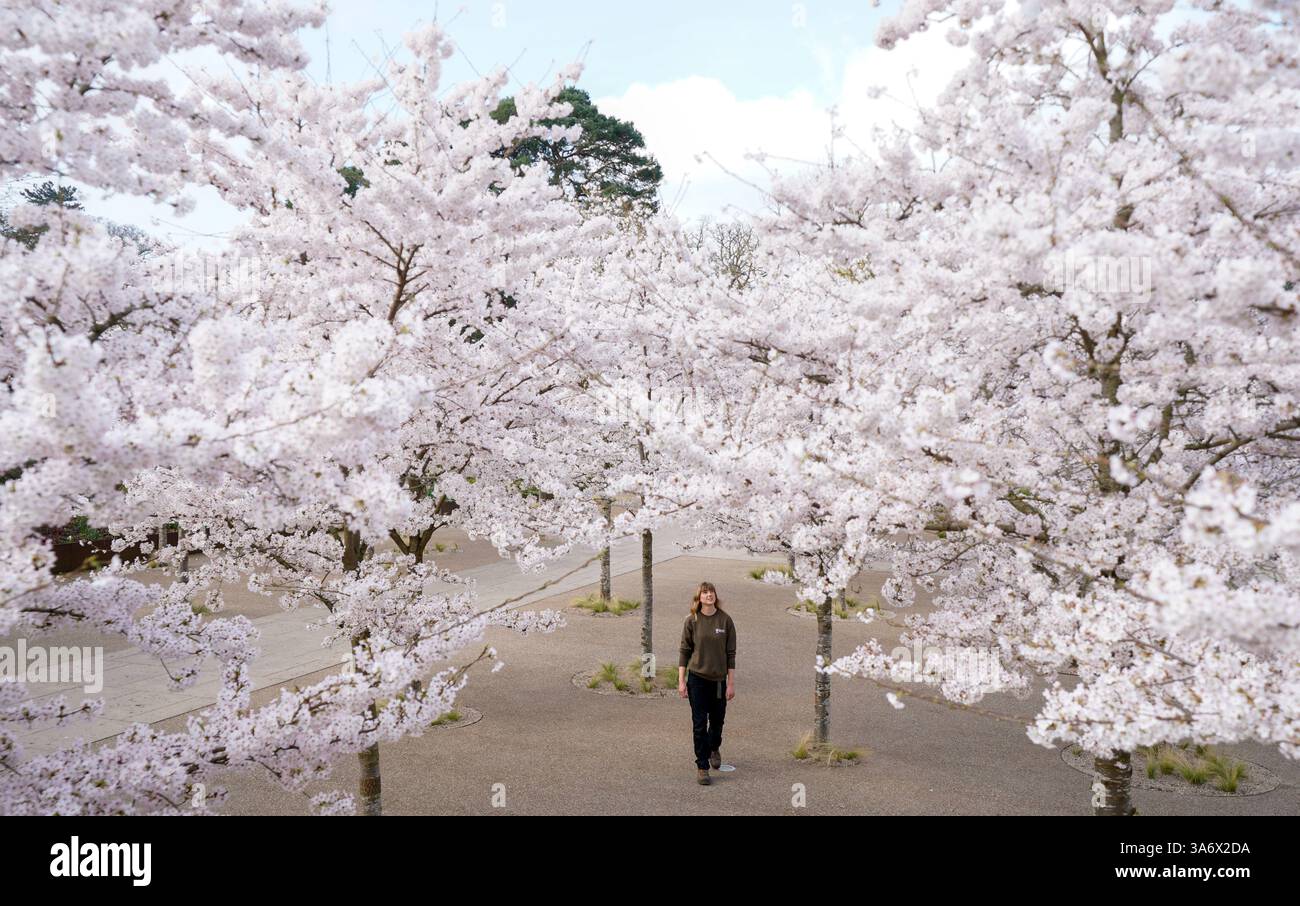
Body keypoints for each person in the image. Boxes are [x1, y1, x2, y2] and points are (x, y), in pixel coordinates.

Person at [678, 581, 737, 785]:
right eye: (704, 592)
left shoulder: (725, 620)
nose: (709, 595)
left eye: (711, 591)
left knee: (718, 721)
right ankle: (702, 766)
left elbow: (731, 655)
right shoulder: (692, 620)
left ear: (715, 595)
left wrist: (730, 683)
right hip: (697, 680)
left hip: (719, 681)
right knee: (699, 724)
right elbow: (684, 651)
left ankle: (714, 747)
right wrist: (681, 681)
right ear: (699, 597)